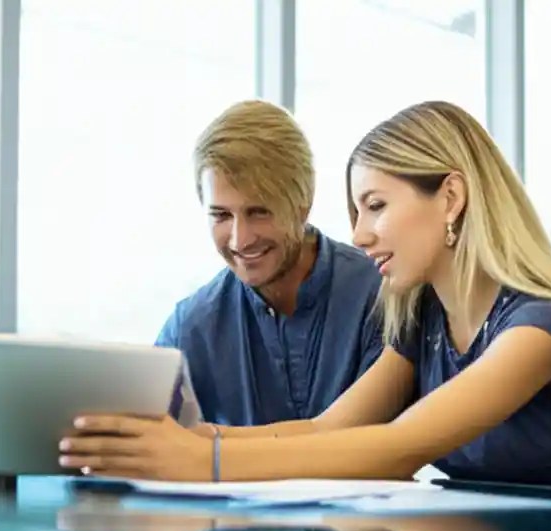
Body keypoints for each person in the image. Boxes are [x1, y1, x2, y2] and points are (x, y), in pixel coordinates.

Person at [61, 100, 551, 487]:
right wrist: (201, 438)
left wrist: (202, 461)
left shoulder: (544, 328)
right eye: (357, 211)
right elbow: (327, 430)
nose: (357, 234)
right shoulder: (423, 320)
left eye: (376, 206)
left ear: (450, 197)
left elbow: (399, 446)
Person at [157, 99, 383, 427]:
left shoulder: (380, 296)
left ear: (303, 203)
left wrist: (208, 450)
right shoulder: (190, 327)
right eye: (221, 215)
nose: (240, 239)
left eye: (259, 212)